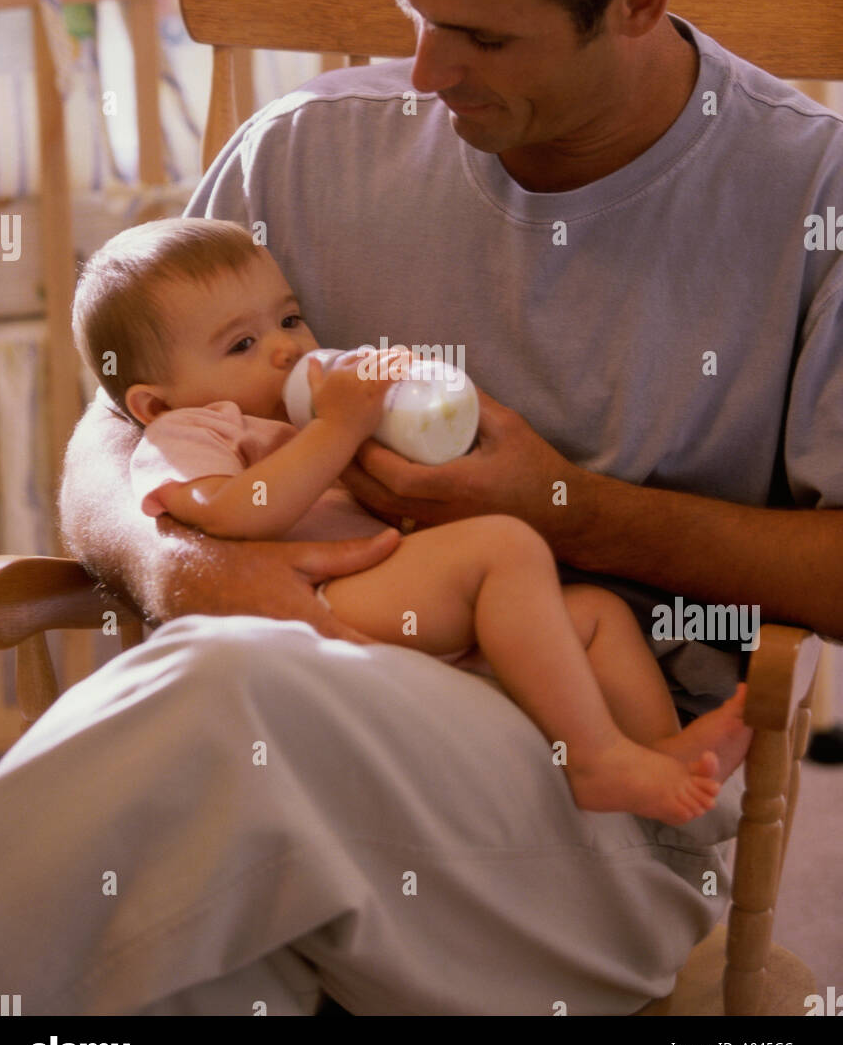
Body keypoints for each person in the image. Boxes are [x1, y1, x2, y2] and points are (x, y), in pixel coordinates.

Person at [0, 0, 841, 1016]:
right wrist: (188, 565)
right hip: (298, 772)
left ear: (639, 2)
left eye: (482, 38)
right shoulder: (303, 157)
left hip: (596, 802)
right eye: (412, 10)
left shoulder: (809, 197)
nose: (427, 76)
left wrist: (565, 506)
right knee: (184, 980)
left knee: (225, 692)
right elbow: (121, 434)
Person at [71, 216, 751, 825]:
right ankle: (598, 761)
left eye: (289, 319)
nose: (285, 350)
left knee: (598, 614)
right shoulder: (191, 431)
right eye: (242, 343)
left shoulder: (307, 414)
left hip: (408, 602)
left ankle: (656, 753)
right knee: (502, 549)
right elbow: (235, 513)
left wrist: (402, 416)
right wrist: (338, 427)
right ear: (153, 405)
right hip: (320, 608)